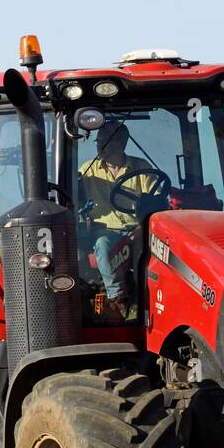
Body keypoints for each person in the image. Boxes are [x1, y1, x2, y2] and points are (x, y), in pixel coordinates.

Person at [79, 122, 156, 319]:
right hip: (106, 230)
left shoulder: (142, 168)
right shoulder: (88, 170)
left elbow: (154, 202)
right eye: (99, 142)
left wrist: (142, 226)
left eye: (106, 142)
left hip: (139, 228)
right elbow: (73, 194)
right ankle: (117, 298)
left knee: (152, 257)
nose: (100, 146)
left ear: (122, 144)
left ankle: (147, 302)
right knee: (103, 246)